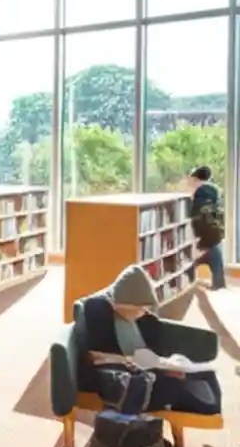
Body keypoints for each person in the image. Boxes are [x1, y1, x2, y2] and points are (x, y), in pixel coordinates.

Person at [80, 265, 222, 423]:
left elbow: (148, 352)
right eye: (140, 308)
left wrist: (164, 365)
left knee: (206, 374)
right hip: (133, 377)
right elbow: (94, 357)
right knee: (180, 388)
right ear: (125, 302)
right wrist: (132, 361)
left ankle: (201, 400)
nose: (143, 313)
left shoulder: (141, 320)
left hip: (149, 368)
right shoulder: (99, 311)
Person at [187, 166, 226, 291]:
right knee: (215, 256)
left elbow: (196, 213)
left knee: (194, 256)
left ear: (196, 178)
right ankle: (219, 283)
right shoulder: (215, 190)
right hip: (217, 229)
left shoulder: (201, 192)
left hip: (205, 232)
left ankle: (189, 279)